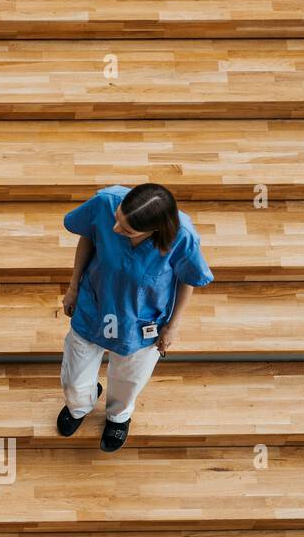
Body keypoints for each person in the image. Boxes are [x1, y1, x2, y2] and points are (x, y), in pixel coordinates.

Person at [58, 182, 213, 451]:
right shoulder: (105, 202)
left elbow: (187, 279)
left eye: (126, 229)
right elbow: (88, 237)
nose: (115, 229)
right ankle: (79, 404)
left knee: (128, 378)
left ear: (156, 230)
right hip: (94, 303)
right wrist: (73, 287)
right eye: (117, 218)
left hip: (142, 320)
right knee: (74, 376)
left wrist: (173, 326)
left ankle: (118, 417)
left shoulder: (183, 237)